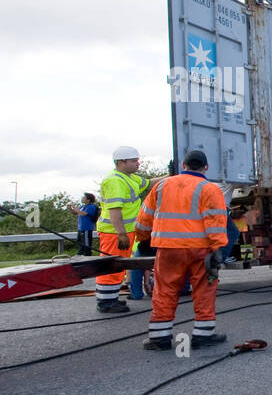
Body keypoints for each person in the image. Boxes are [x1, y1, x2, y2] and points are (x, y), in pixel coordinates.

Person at [133, 149, 229, 350]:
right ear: (205, 168)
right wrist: (217, 250)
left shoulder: (161, 186)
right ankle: (203, 335)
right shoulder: (210, 189)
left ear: (183, 166)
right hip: (201, 250)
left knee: (165, 290)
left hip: (168, 249)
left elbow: (144, 219)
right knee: (204, 290)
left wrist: (143, 239)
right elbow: (216, 223)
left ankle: (160, 338)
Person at [94, 146, 156, 313]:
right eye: (134, 160)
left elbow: (149, 184)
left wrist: (171, 174)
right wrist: (121, 233)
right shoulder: (115, 180)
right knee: (111, 266)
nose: (138, 163)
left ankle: (111, 298)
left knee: (118, 266)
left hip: (123, 231)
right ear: (121, 162)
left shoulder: (129, 177)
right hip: (114, 232)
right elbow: (115, 210)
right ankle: (106, 302)